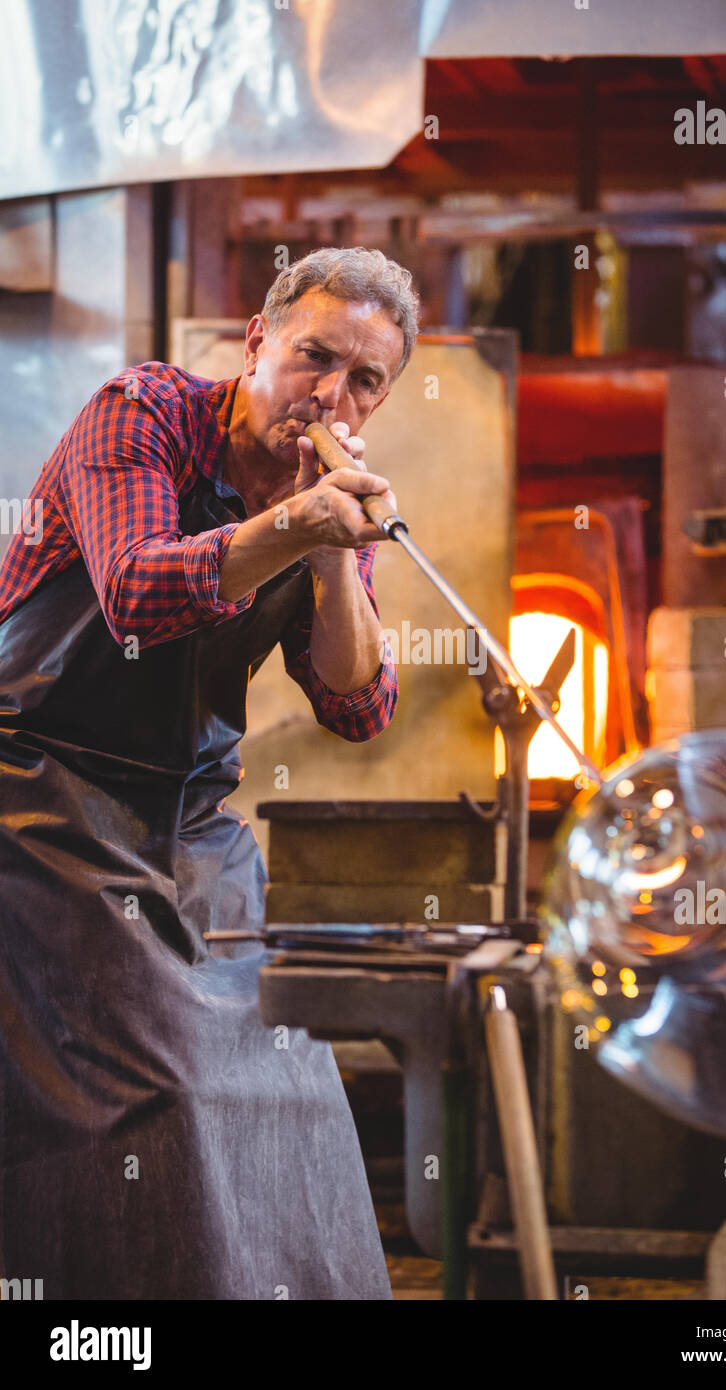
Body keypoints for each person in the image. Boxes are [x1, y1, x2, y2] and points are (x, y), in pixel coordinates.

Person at [0, 246, 419, 1300]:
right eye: (314, 356)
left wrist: (331, 552)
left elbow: (357, 704)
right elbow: (136, 595)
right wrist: (294, 524)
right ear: (256, 340)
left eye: (364, 378)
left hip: (189, 819)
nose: (330, 393)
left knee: (292, 1081)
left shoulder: (325, 491)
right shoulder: (141, 414)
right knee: (167, 1092)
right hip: (38, 792)